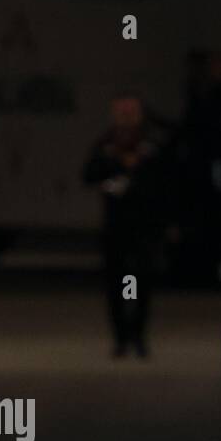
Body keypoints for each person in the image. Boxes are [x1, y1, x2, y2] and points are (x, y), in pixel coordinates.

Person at [82, 94, 169, 357]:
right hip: (115, 227)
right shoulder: (105, 144)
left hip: (143, 227)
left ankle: (139, 337)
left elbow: (166, 181)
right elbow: (88, 174)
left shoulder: (152, 146)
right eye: (121, 112)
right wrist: (112, 171)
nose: (127, 118)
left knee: (141, 285)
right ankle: (120, 338)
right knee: (115, 285)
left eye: (131, 112)